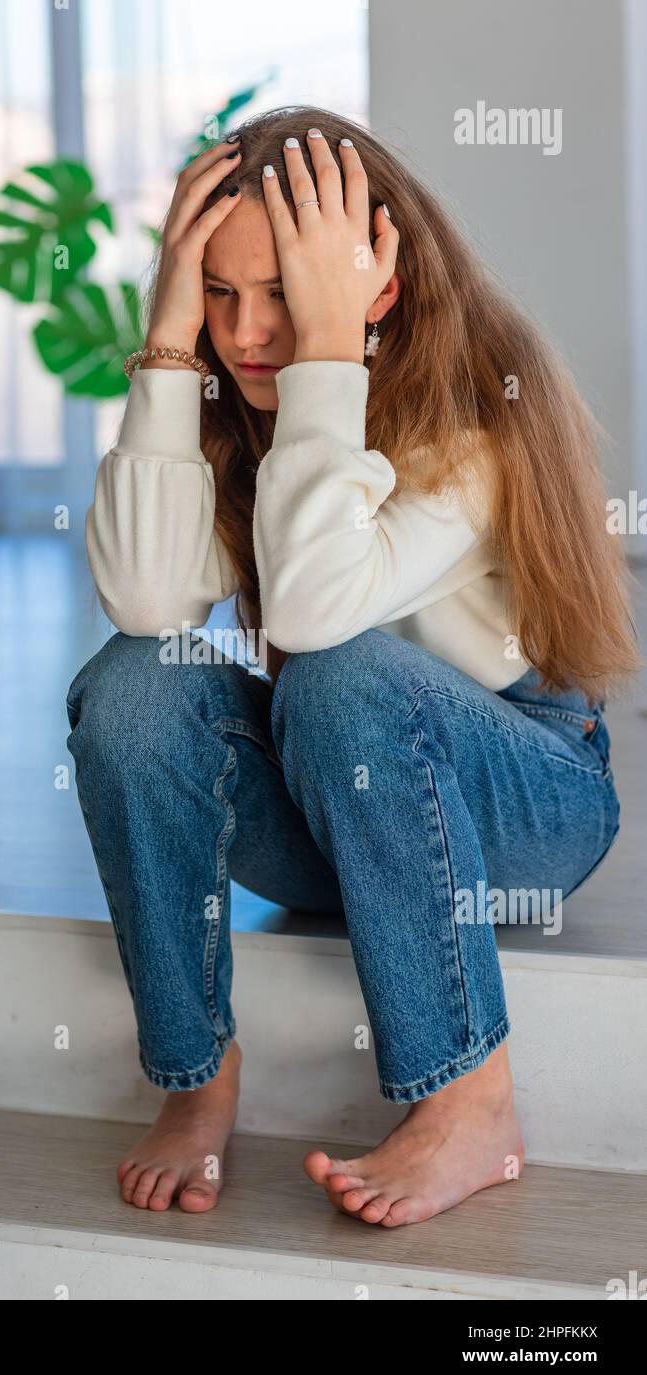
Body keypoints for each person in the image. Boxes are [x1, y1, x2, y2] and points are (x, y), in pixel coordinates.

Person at [65, 106, 637, 1227]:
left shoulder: (480, 413)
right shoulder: (247, 398)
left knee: (334, 673)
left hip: (524, 800)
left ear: (377, 280)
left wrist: (331, 357)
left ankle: (471, 1096)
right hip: (341, 802)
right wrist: (168, 339)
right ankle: (193, 1073)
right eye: (221, 293)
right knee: (135, 681)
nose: (247, 333)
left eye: (283, 289)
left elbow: (319, 615)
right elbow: (143, 600)